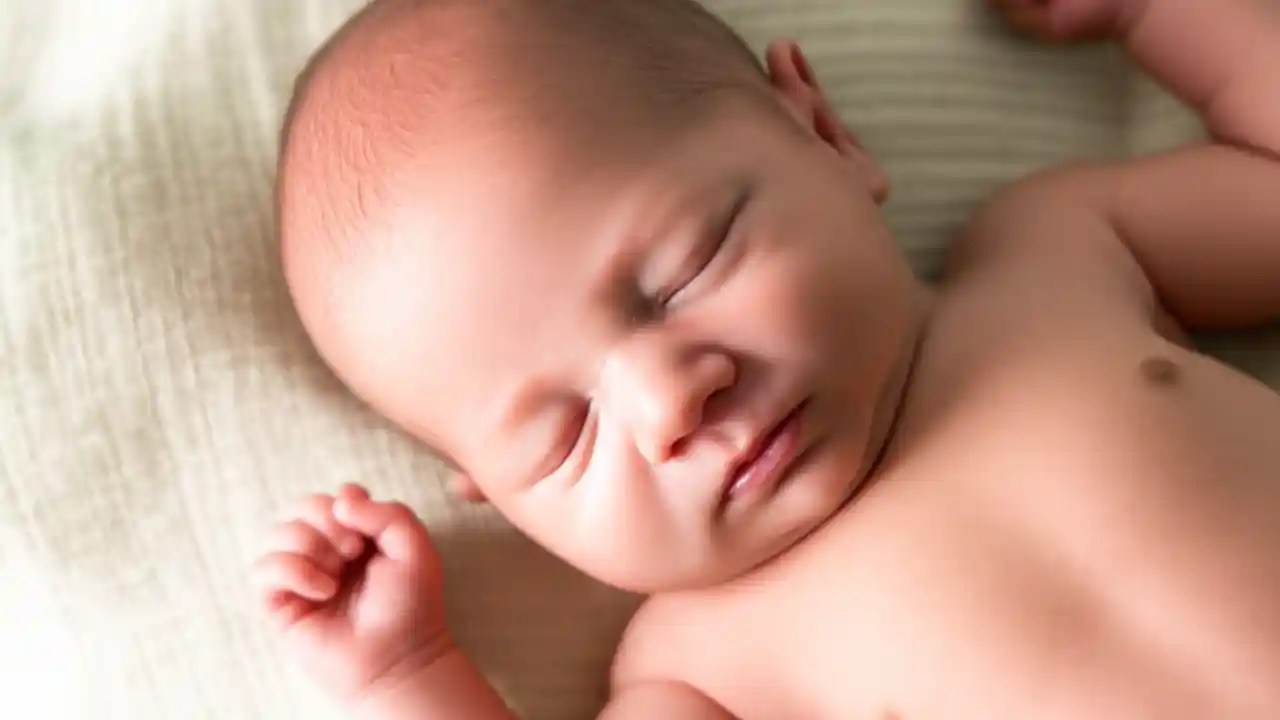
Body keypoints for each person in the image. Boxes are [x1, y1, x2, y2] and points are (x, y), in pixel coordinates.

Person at [254, 0, 1280, 716]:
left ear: (822, 132)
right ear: (497, 498)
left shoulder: (1053, 256)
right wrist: (405, 677)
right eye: (565, 436)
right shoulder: (700, 671)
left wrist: (1159, 13)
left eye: (685, 268)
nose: (667, 405)